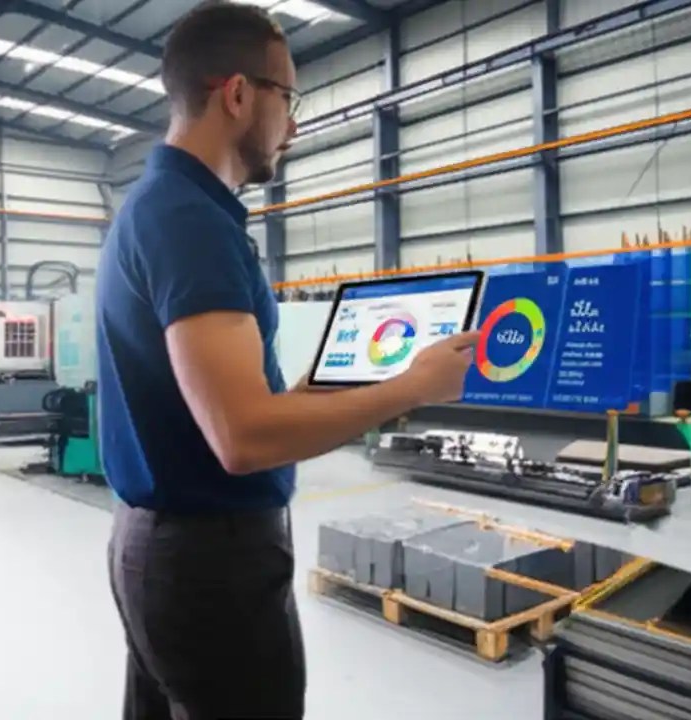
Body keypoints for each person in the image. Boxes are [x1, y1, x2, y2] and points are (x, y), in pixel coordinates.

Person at [95, 3, 480, 718]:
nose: (295, 125)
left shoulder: (162, 208)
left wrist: (317, 392)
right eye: (288, 97)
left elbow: (231, 404)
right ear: (237, 94)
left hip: (162, 552)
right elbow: (242, 438)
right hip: (210, 567)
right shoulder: (188, 221)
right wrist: (409, 387)